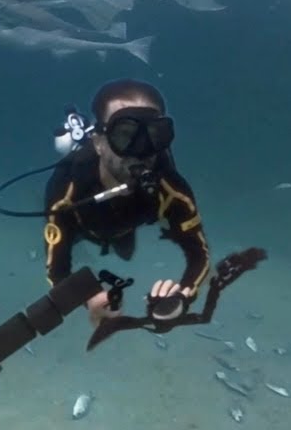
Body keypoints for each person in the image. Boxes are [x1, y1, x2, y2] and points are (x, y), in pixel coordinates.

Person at [42, 78, 210, 328]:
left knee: (125, 248)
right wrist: (86, 299)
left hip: (126, 225)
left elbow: (199, 254)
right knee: (72, 242)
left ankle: (119, 238)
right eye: (125, 135)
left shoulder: (170, 188)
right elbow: (57, 270)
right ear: (98, 143)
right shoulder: (66, 189)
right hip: (83, 224)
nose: (140, 151)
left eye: (154, 135)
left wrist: (181, 298)